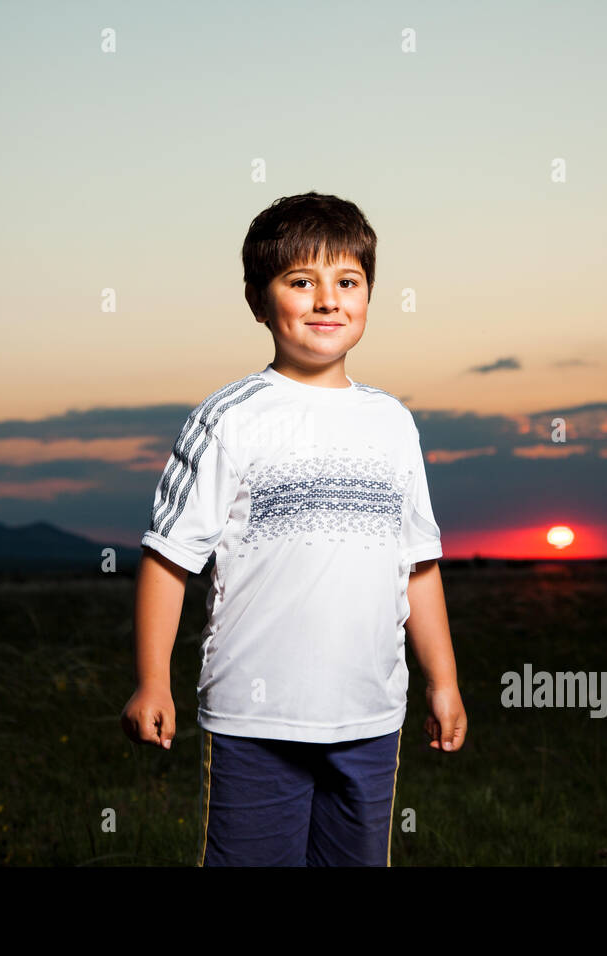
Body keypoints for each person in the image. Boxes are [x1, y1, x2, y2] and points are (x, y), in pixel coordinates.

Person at [120, 191, 466, 866]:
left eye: (347, 281)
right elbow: (168, 559)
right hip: (256, 717)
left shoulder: (393, 423)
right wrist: (152, 680)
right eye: (301, 281)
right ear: (259, 300)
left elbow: (419, 564)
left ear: (369, 295)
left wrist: (444, 681)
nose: (326, 300)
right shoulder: (230, 417)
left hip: (370, 716)